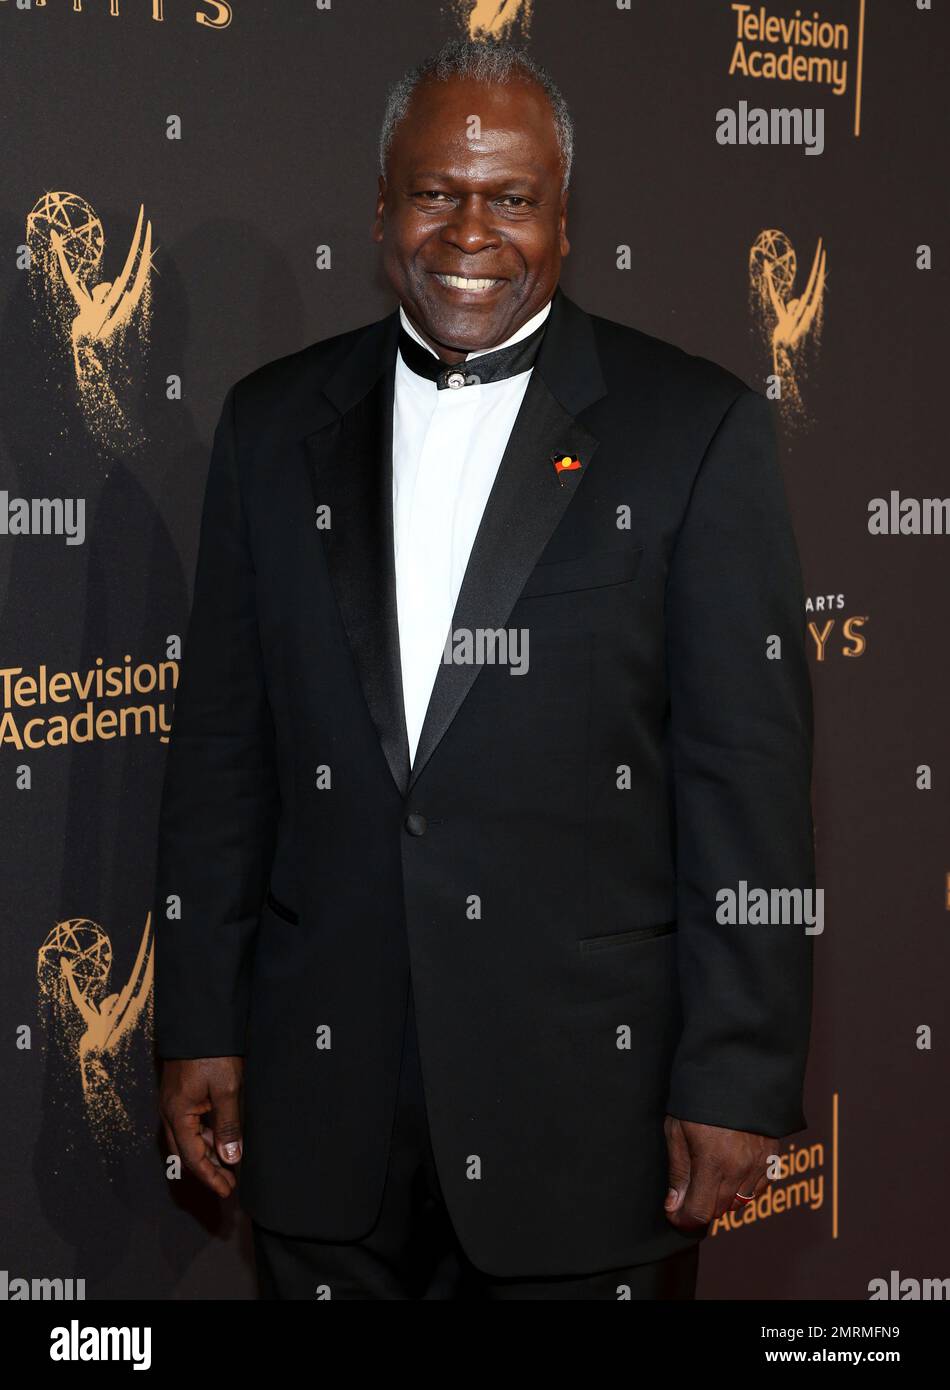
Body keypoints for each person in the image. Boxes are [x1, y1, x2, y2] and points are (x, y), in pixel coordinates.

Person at [154, 38, 815, 1301]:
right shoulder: (271, 424)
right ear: (380, 209)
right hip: (322, 1101)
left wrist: (734, 1073)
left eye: (509, 198)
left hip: (584, 1115)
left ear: (563, 221)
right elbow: (223, 755)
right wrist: (196, 1017)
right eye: (434, 193)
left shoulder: (691, 430)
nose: (469, 231)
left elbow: (747, 779)